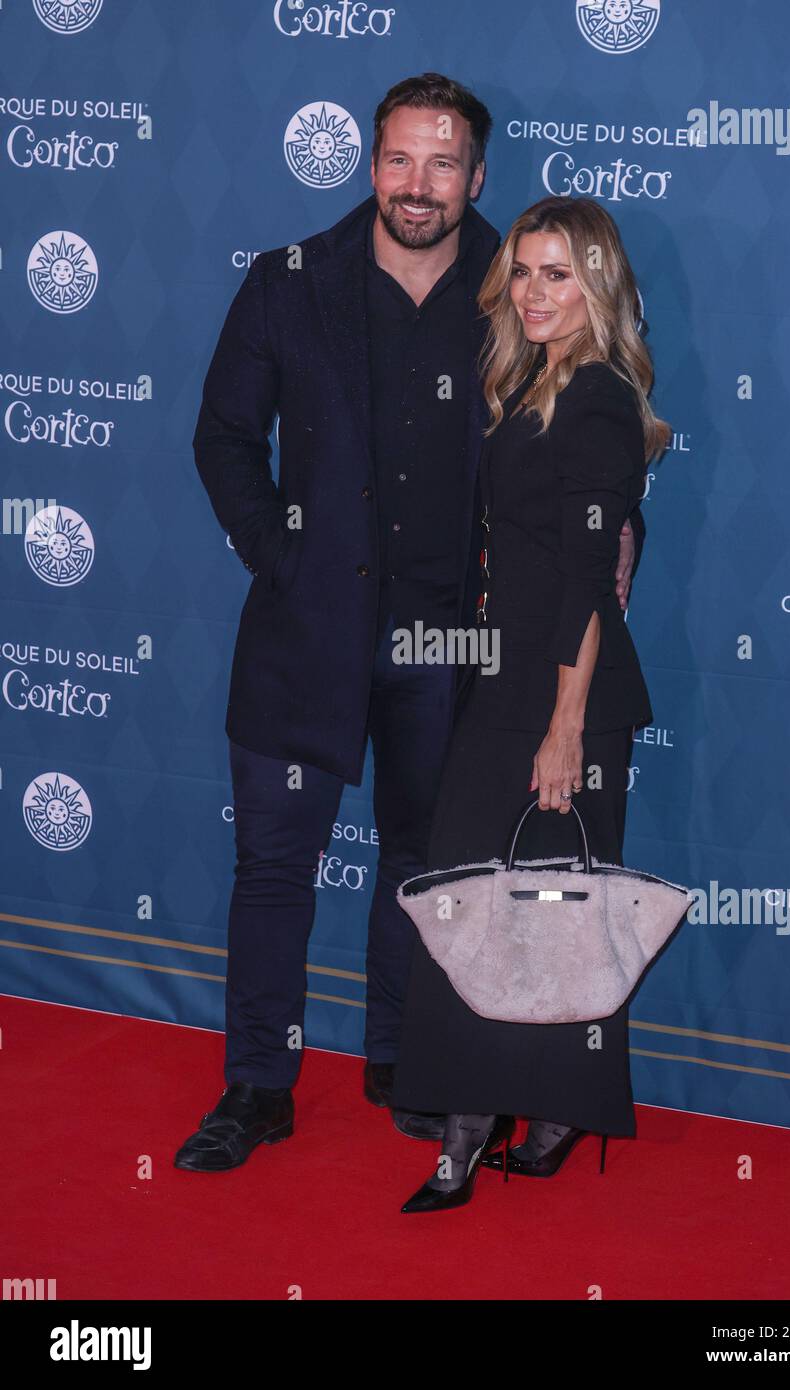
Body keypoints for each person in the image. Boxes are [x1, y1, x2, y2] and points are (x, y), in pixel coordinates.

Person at [176, 74, 644, 1173]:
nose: (419, 185)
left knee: (423, 869)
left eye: (444, 164)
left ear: (476, 176)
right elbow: (222, 439)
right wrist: (283, 556)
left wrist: (612, 545)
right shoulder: (290, 283)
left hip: (457, 648)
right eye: (399, 159)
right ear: (370, 163)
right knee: (275, 868)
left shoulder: (521, 290)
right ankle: (257, 1084)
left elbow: (584, 451)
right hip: (304, 634)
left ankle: (403, 1064)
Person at [392, 193, 671, 1213]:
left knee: (555, 913)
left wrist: (563, 730)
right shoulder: (532, 382)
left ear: (596, 286)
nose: (535, 290)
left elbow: (590, 579)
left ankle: (536, 1118)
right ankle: (478, 1122)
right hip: (506, 679)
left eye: (560, 272)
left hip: (566, 696)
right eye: (523, 269)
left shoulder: (592, 394)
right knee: (478, 903)